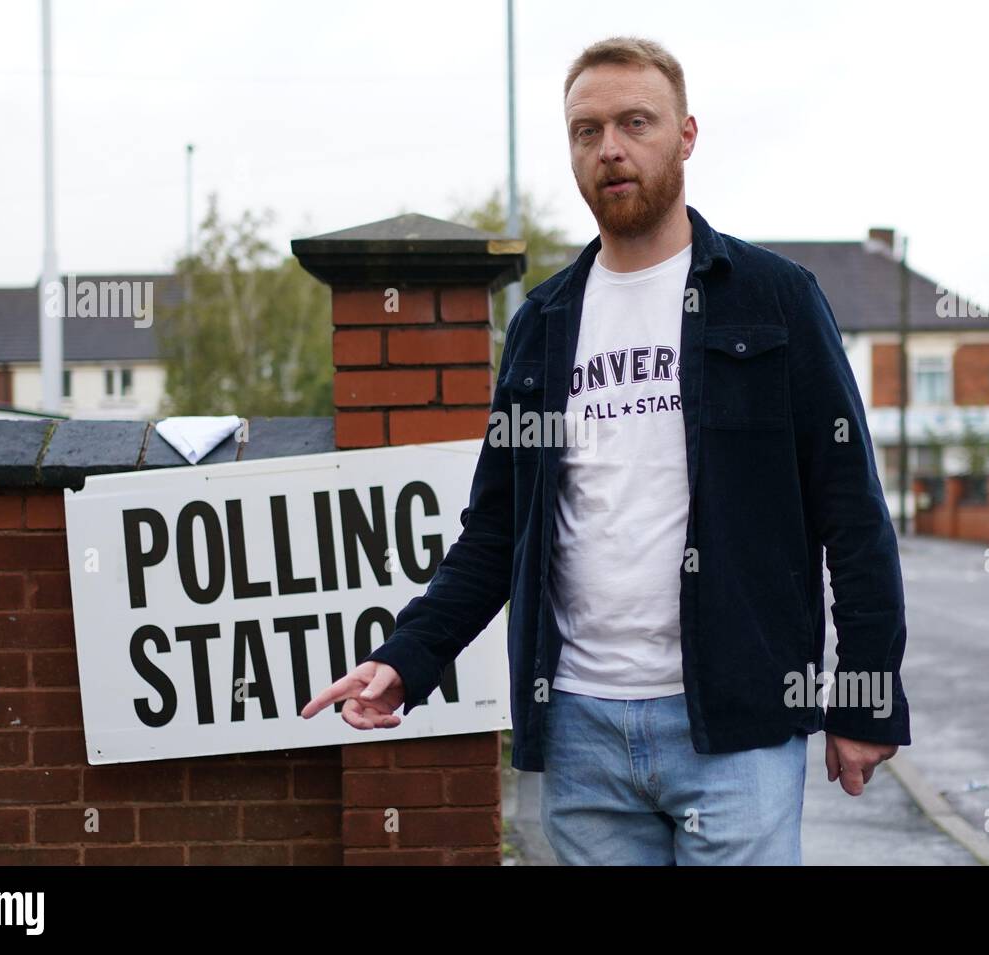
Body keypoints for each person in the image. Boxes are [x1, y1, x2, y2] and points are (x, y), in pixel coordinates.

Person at [302, 35, 911, 865]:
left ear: (686, 135)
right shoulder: (544, 324)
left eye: (635, 122)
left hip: (737, 725)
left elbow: (853, 513)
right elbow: (496, 530)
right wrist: (407, 657)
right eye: (587, 131)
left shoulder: (775, 300)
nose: (611, 149)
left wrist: (865, 696)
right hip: (581, 729)